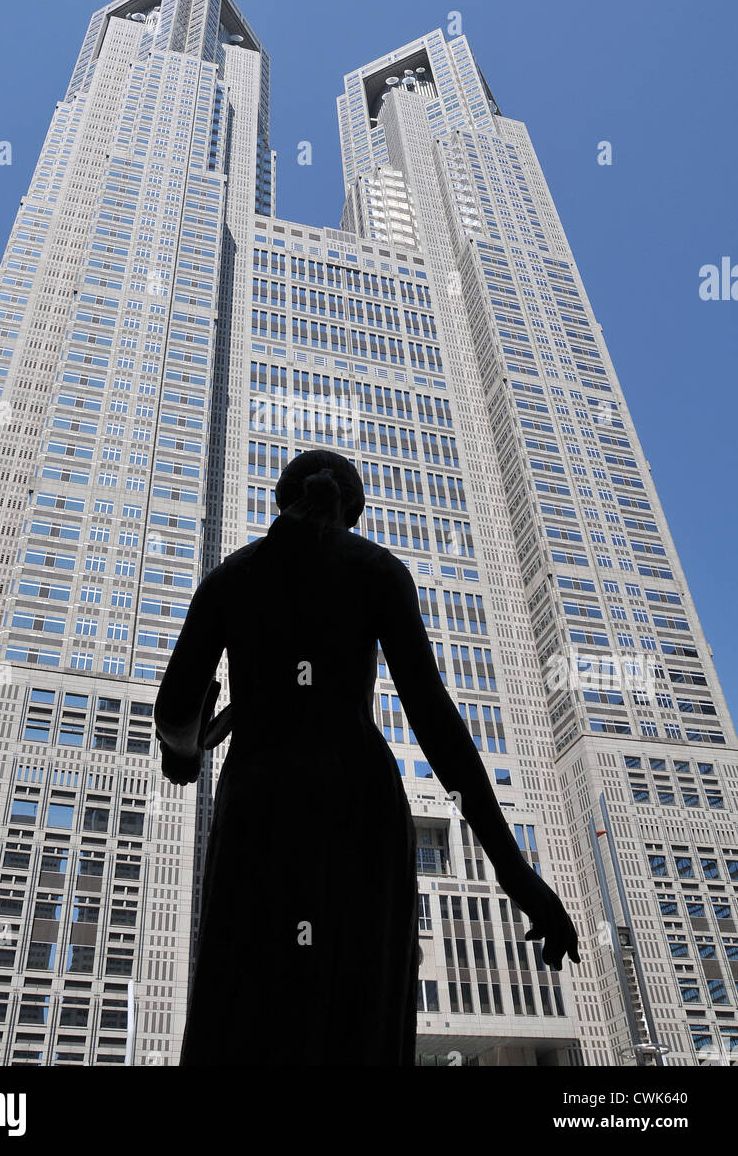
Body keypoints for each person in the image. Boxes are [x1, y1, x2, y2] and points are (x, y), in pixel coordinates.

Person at [154, 448, 579, 1066]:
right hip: (357, 799)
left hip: (260, 798)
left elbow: (173, 713)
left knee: (242, 1005)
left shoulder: (229, 578)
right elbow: (436, 723)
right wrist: (516, 874)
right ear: (352, 511)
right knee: (359, 1015)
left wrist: (186, 758)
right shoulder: (377, 570)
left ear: (283, 495)